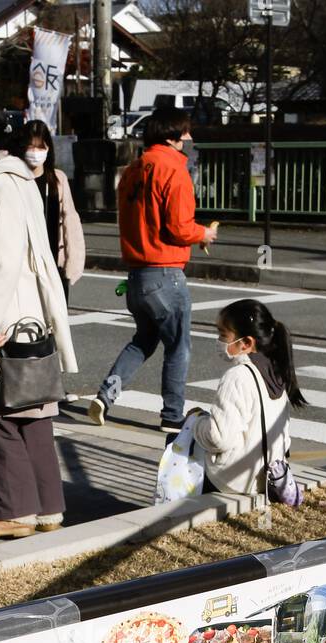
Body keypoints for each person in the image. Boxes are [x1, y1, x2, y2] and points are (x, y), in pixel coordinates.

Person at [0, 97, 77, 540]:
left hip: (5, 317)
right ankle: (48, 510)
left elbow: (4, 260)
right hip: (29, 313)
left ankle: (14, 513)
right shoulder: (21, 179)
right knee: (34, 416)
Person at [89, 112, 217, 433]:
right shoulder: (174, 170)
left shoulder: (133, 170)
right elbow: (178, 227)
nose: (188, 140)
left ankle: (106, 395)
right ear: (173, 137)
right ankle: (173, 415)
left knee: (143, 341)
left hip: (137, 274)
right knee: (178, 346)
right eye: (185, 134)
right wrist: (202, 234)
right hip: (166, 274)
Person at [189, 300, 307, 497]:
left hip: (232, 480)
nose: (219, 341)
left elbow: (218, 439)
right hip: (266, 477)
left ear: (246, 343)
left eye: (223, 334)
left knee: (184, 449)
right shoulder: (276, 370)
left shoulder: (237, 377)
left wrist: (195, 421)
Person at [13, 120, 85, 304]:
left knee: (55, 323)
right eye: (30, 146)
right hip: (22, 265)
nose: (35, 152)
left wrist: (72, 265)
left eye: (40, 146)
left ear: (48, 148)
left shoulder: (57, 179)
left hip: (53, 263)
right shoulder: (14, 179)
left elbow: (70, 220)